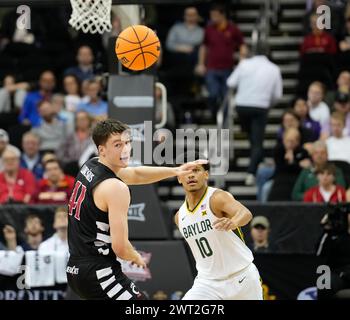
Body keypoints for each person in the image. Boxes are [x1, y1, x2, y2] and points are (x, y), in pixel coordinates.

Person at [66, 119, 206, 300]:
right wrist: (137, 258)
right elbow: (120, 247)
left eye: (127, 142)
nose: (125, 149)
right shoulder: (115, 188)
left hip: (75, 268)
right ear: (102, 150)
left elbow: (136, 174)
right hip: (98, 272)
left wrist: (176, 171)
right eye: (117, 145)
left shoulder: (91, 165)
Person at [174, 152, 262, 300]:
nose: (190, 175)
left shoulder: (217, 198)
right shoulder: (179, 217)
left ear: (206, 175)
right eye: (186, 171)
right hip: (207, 284)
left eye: (196, 170)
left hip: (241, 277)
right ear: (179, 178)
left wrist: (234, 222)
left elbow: (245, 213)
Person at [227, 42, 282, 185]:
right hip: (260, 107)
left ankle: (257, 160)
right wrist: (269, 104)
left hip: (242, 106)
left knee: (253, 138)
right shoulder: (274, 69)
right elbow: (277, 95)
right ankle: (251, 171)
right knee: (257, 141)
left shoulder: (244, 64)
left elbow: (230, 82)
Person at [195, 3, 247, 116]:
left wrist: (242, 62)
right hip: (212, 68)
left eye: (215, 15)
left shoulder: (233, 29)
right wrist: (201, 64)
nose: (213, 18)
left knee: (225, 96)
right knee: (213, 94)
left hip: (227, 69)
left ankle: (225, 123)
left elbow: (242, 45)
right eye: (211, 16)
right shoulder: (209, 29)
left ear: (222, 15)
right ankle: (214, 113)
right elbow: (204, 47)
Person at [268, 128, 310, 201]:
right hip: (279, 178)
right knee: (266, 188)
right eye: (287, 141)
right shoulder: (278, 150)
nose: (289, 144)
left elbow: (303, 170)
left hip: (297, 179)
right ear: (283, 140)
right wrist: (297, 164)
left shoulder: (303, 151)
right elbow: (280, 168)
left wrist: (292, 163)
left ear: (297, 142)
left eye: (292, 141)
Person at [57, 110, 95, 177]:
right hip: (71, 167)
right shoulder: (69, 136)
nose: (81, 121)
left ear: (89, 120)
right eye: (78, 119)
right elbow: (60, 153)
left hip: (89, 167)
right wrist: (66, 162)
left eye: (83, 119)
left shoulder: (94, 136)